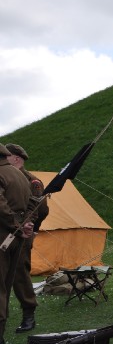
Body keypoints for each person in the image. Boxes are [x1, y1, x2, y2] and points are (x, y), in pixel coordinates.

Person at [5, 143, 49, 333]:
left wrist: (29, 227)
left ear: (16, 159)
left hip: (23, 234)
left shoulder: (32, 181)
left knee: (20, 275)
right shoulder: (5, 176)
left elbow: (42, 208)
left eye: (6, 157)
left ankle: (28, 314)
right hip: (5, 232)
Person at [0, 144, 35, 344]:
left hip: (5, 235)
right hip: (18, 235)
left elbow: (0, 205)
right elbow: (34, 202)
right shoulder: (20, 175)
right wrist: (24, 225)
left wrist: (18, 225)